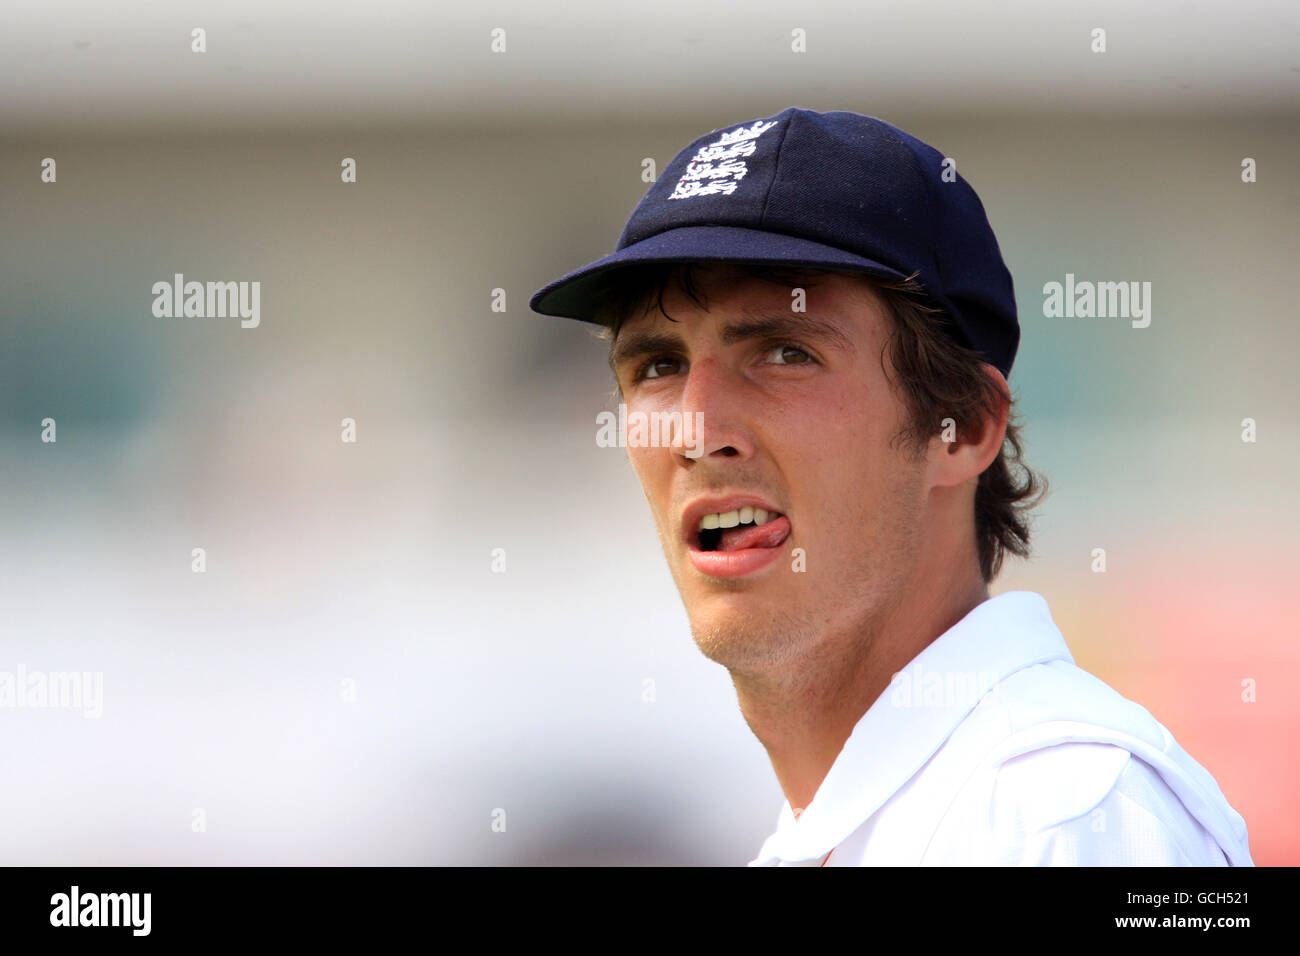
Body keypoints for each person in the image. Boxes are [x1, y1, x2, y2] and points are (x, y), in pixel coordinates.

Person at [529, 107, 1252, 866]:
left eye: (783, 353)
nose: (697, 430)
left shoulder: (1057, 816)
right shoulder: (852, 829)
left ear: (966, 428)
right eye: (658, 366)